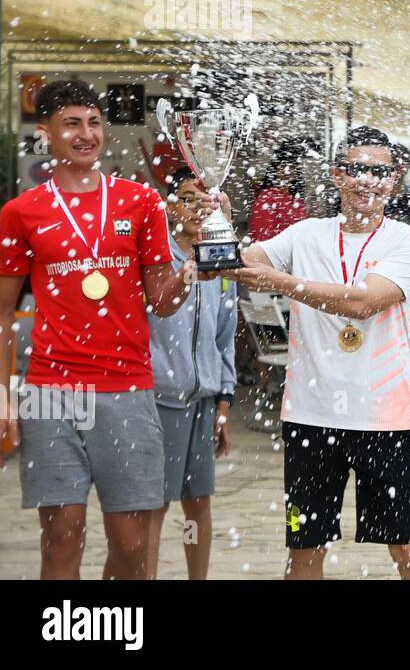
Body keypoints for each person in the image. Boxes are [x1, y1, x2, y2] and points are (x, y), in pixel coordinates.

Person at [0, 80, 194, 580]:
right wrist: (2, 395)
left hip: (127, 387)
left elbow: (163, 302)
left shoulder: (140, 202)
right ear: (47, 134)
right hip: (51, 391)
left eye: (94, 122)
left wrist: (189, 262)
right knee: (61, 539)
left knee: (131, 547)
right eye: (72, 124)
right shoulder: (21, 213)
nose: (87, 135)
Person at [226, 126, 410, 579]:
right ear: (336, 176)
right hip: (310, 417)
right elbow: (246, 262)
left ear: (394, 181)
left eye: (378, 172)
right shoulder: (306, 233)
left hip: (382, 419)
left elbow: (363, 302)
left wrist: (283, 284)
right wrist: (220, 230)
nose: (366, 181)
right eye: (355, 169)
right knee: (304, 551)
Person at [146, 167, 238, 579]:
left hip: (203, 399)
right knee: (154, 504)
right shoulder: (156, 256)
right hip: (159, 398)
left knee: (197, 504)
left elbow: (225, 335)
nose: (198, 207)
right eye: (187, 197)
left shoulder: (219, 256)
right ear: (169, 205)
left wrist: (224, 399)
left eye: (206, 199)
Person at [248, 139, 310, 243]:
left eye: (292, 166)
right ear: (276, 168)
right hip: (275, 256)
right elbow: (263, 238)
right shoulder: (267, 198)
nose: (287, 170)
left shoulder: (297, 200)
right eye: (283, 166)